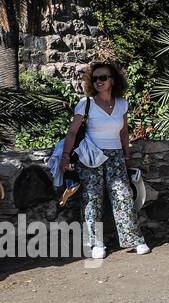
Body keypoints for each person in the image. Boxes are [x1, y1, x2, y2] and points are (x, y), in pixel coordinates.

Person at [59, 61, 149, 258]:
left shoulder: (122, 104)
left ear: (112, 80)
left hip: (115, 156)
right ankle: (95, 244)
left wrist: (126, 156)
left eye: (103, 77)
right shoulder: (86, 104)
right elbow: (72, 132)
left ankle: (134, 239)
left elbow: (124, 132)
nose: (98, 81)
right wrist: (65, 156)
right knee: (92, 199)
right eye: (95, 78)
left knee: (123, 197)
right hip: (91, 157)